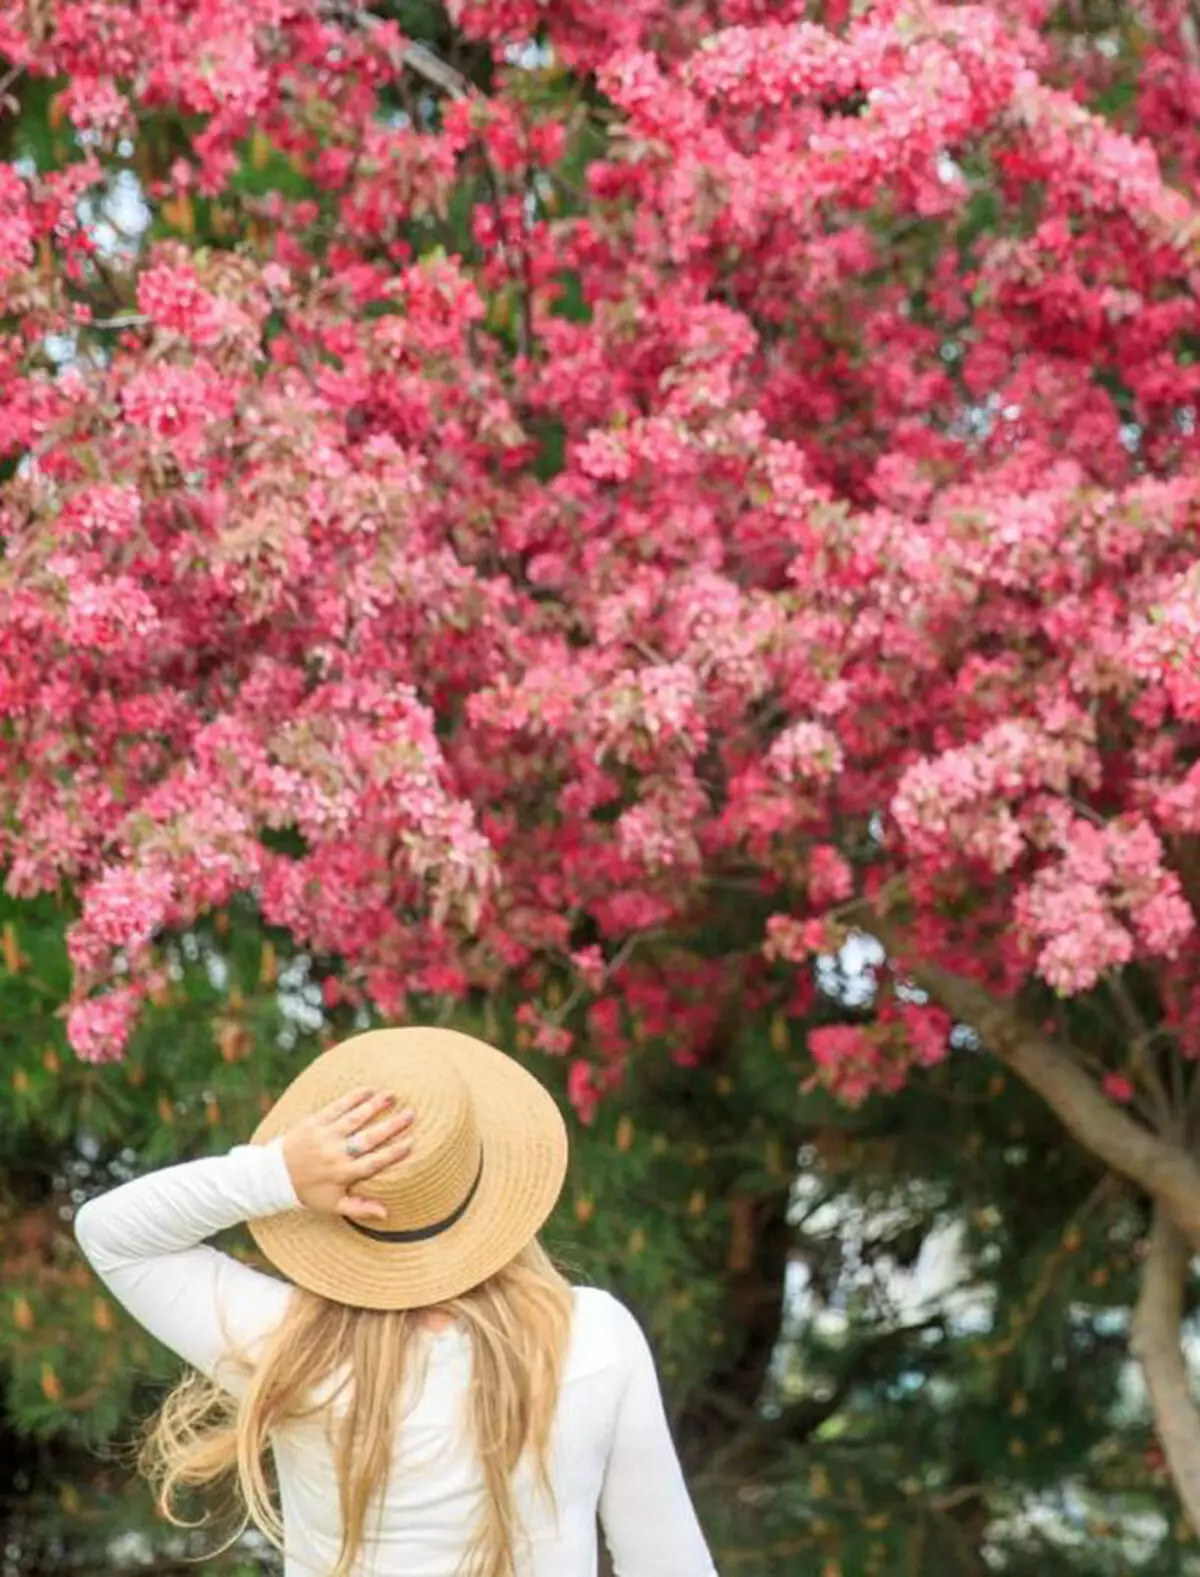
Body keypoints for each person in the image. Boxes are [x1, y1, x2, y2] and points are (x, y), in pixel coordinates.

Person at [74, 1025, 720, 1577]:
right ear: (493, 1181)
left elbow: (112, 1234)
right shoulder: (591, 1337)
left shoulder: (290, 1346)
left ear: (340, 1210)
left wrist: (274, 1174)